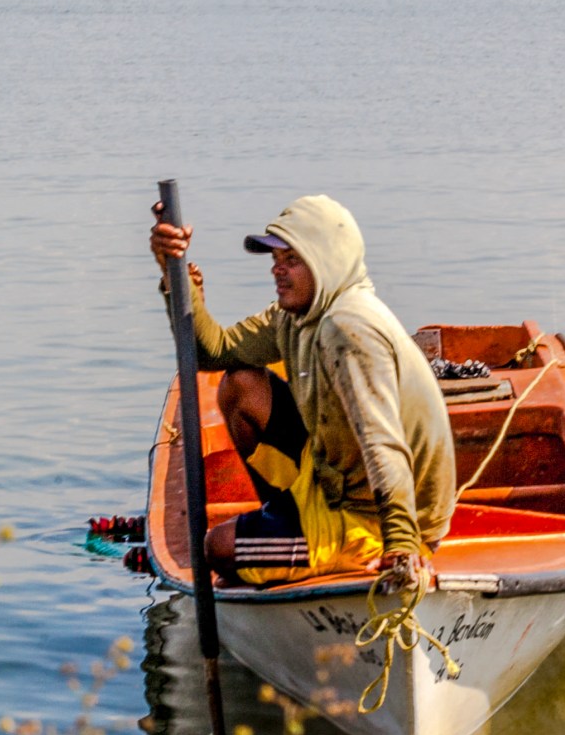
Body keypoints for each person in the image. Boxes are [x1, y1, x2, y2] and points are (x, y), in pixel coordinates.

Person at [149, 194, 455, 590]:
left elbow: (383, 441)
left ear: (325, 262)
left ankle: (337, 543)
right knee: (240, 384)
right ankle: (284, 519)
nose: (278, 271)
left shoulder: (349, 328)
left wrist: (400, 545)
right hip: (333, 482)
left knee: (218, 548)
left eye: (292, 260)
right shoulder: (295, 316)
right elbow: (211, 353)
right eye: (276, 261)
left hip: (379, 518)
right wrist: (176, 276)